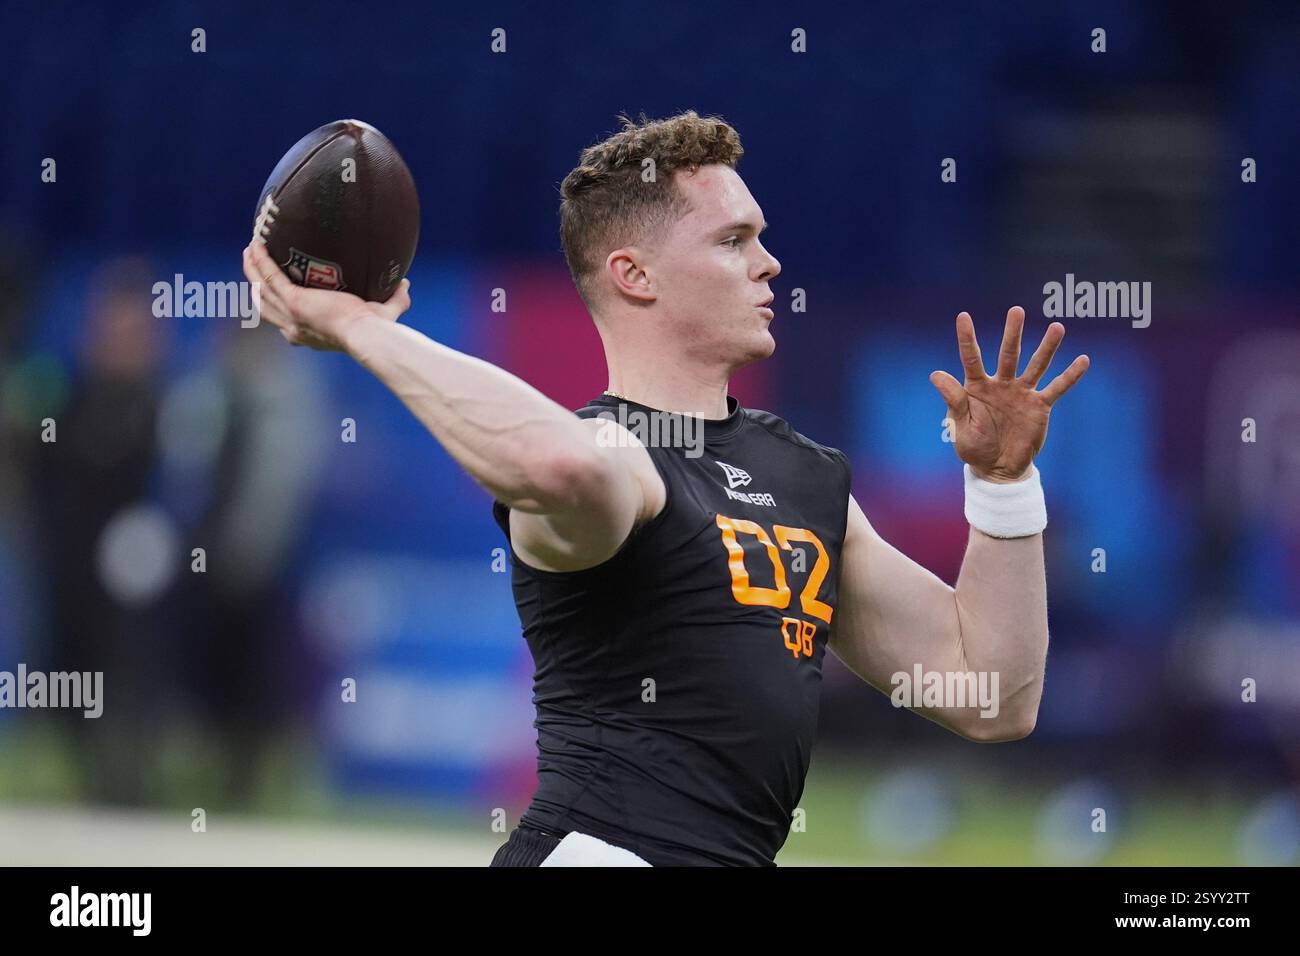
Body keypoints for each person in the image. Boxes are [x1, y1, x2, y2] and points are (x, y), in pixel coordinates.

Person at [242, 110, 1089, 866]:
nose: (769, 262)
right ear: (634, 275)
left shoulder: (803, 473)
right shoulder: (614, 449)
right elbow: (562, 465)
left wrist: (1004, 485)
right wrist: (359, 325)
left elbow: (991, 696)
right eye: (733, 240)